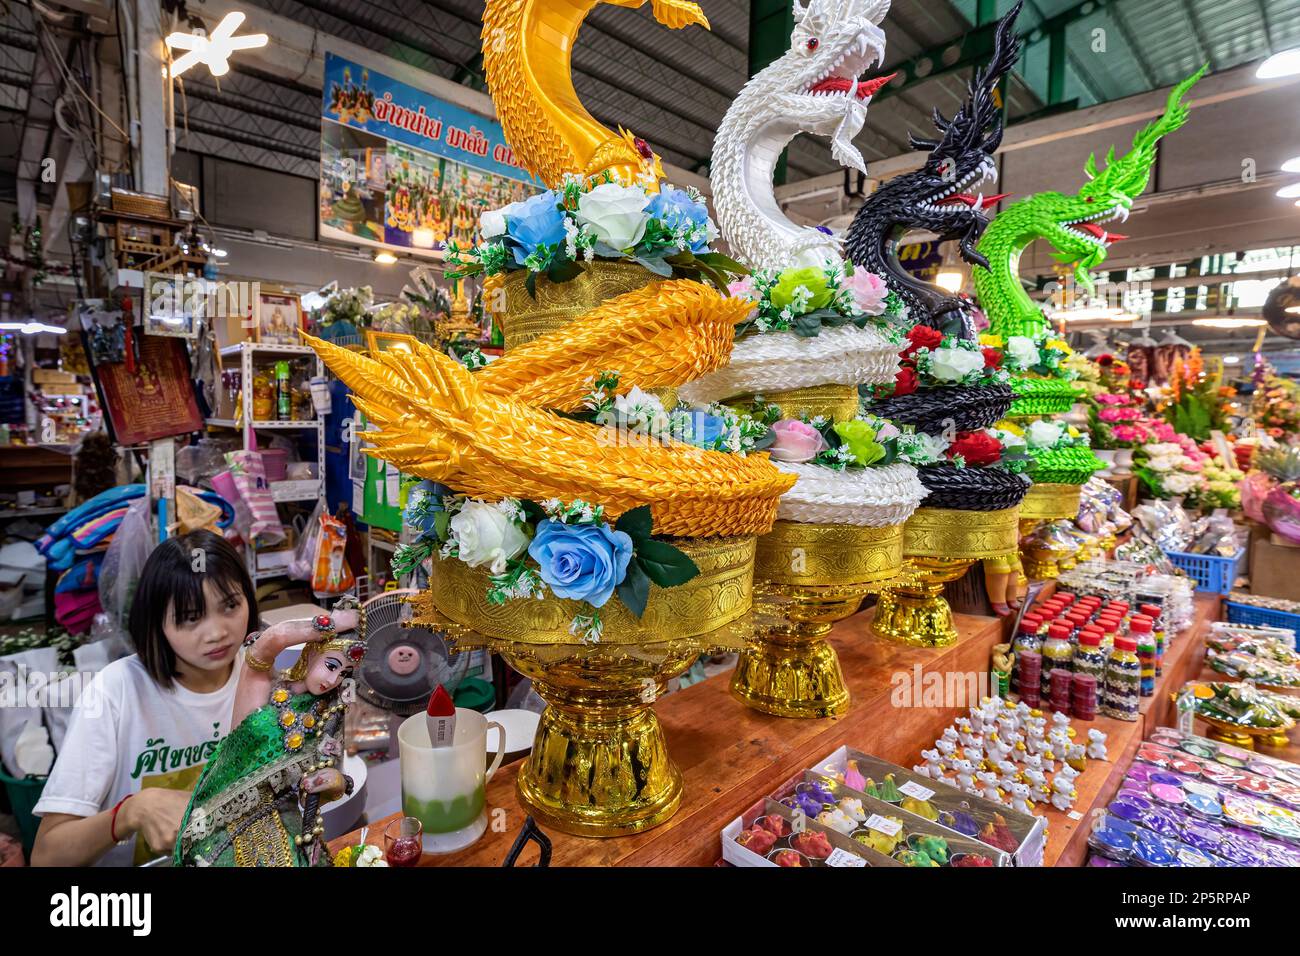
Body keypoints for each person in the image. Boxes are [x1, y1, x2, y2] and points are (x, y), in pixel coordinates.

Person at [29, 530, 356, 866]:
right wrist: (129, 814)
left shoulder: (269, 686)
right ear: (156, 623)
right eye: (189, 617)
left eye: (230, 605)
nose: (216, 632)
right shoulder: (116, 691)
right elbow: (46, 856)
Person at [174, 598, 365, 866]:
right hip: (220, 819)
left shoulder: (328, 716)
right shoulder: (264, 685)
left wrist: (330, 781)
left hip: (281, 821)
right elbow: (272, 639)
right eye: (331, 665)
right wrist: (331, 624)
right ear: (311, 653)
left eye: (343, 674)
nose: (333, 680)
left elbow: (332, 781)